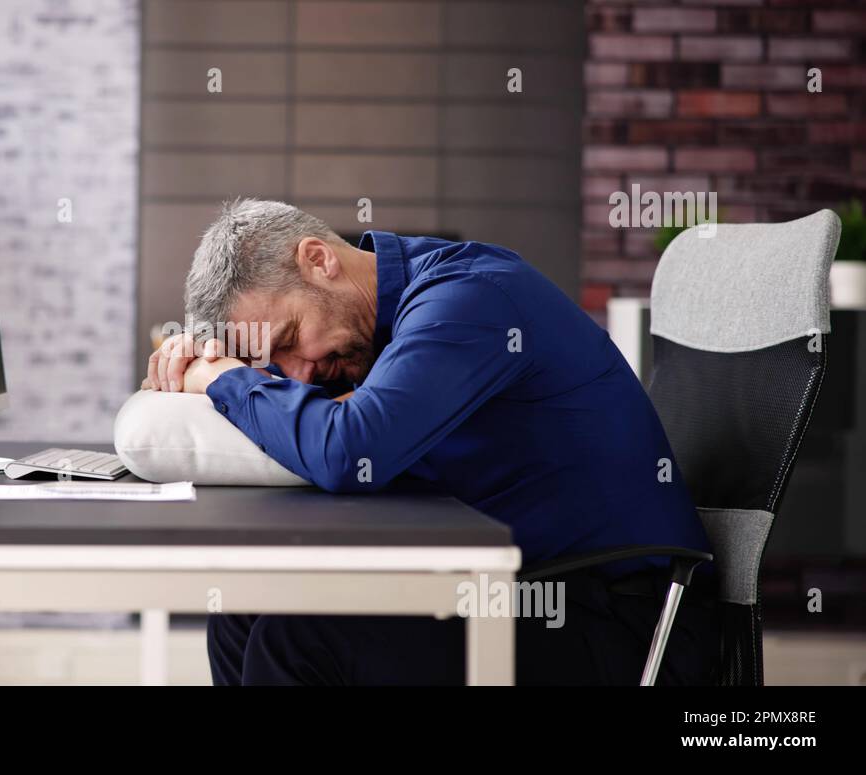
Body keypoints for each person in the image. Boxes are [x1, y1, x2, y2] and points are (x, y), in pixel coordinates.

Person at [142, 198, 718, 686]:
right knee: (241, 611)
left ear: (318, 260)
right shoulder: (370, 337)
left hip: (621, 621)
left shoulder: (469, 300)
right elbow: (328, 429)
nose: (300, 374)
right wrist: (212, 376)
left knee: (300, 634)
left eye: (291, 339)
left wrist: (220, 380)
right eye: (274, 363)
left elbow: (350, 451)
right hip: (526, 589)